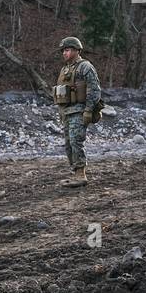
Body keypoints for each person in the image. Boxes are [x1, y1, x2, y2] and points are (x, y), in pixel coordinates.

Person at [54, 36, 101, 188]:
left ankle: (81, 174)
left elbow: (94, 90)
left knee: (76, 141)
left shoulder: (85, 67)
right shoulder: (65, 69)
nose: (64, 53)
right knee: (68, 144)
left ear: (76, 50)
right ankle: (75, 172)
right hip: (67, 112)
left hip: (79, 111)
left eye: (67, 50)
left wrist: (88, 110)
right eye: (63, 51)